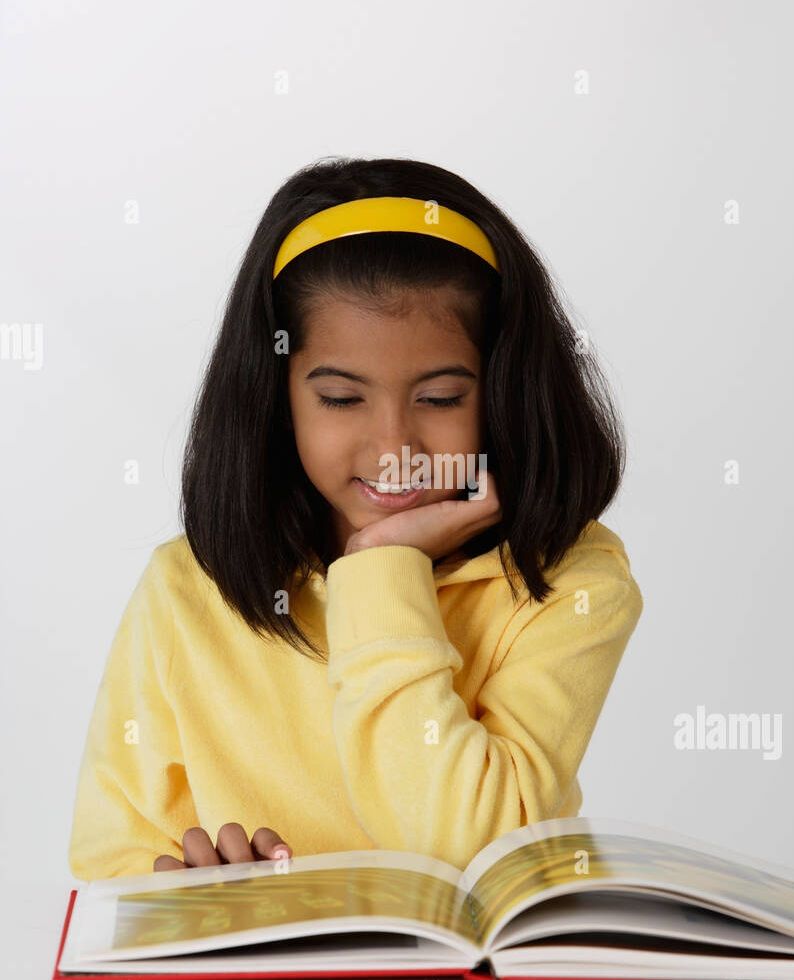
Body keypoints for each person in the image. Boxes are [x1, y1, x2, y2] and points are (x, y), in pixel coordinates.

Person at [66, 155, 644, 880]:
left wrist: (381, 570)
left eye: (440, 399)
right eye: (341, 399)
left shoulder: (571, 582)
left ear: (502, 392)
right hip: (261, 963)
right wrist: (192, 898)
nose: (395, 448)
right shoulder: (185, 588)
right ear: (278, 399)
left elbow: (474, 852)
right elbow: (110, 866)